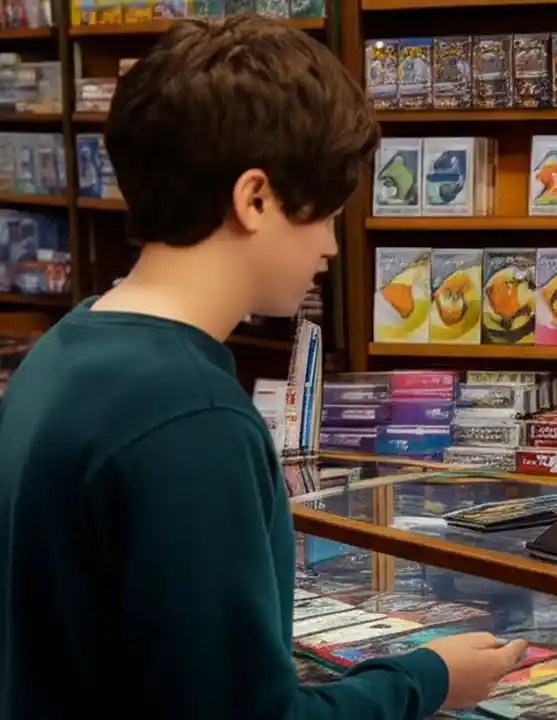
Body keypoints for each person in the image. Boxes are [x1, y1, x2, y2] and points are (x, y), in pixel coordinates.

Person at [0, 15, 526, 720]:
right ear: (255, 199)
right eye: (325, 216)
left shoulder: (68, 345)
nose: (332, 248)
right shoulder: (192, 415)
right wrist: (424, 681)